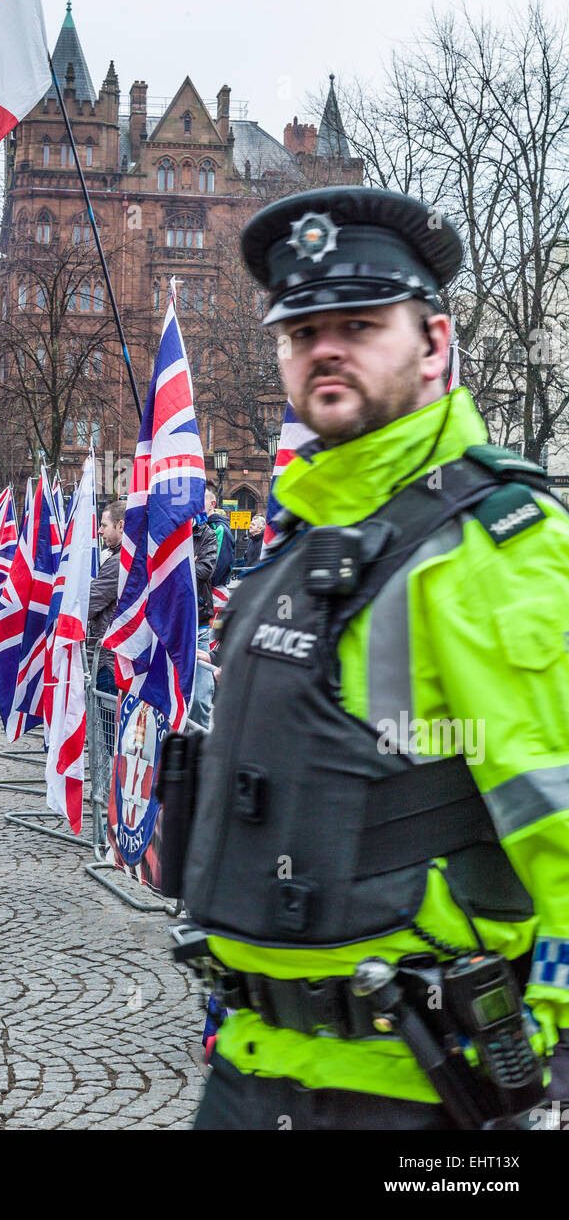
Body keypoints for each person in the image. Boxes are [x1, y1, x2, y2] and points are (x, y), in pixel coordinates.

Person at [175, 186, 569, 1130]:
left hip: (414, 1092)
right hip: (251, 1066)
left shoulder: (492, 549)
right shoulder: (299, 539)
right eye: (301, 330)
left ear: (433, 344)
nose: (325, 348)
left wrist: (540, 1068)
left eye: (359, 323)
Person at [88, 500, 125, 693]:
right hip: (113, 658)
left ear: (121, 526)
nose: (100, 531)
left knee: (107, 722)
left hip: (108, 661)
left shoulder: (119, 563)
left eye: (104, 525)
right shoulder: (118, 557)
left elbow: (89, 604)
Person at [189, 508, 218, 728]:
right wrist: (191, 563)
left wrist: (178, 567)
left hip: (198, 625)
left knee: (199, 699)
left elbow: (205, 570)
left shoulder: (206, 533)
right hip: (168, 625)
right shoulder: (165, 529)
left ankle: (200, 753)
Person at [205, 489, 235, 588]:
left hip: (212, 590)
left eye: (202, 499)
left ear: (212, 504)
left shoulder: (220, 528)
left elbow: (221, 565)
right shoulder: (198, 526)